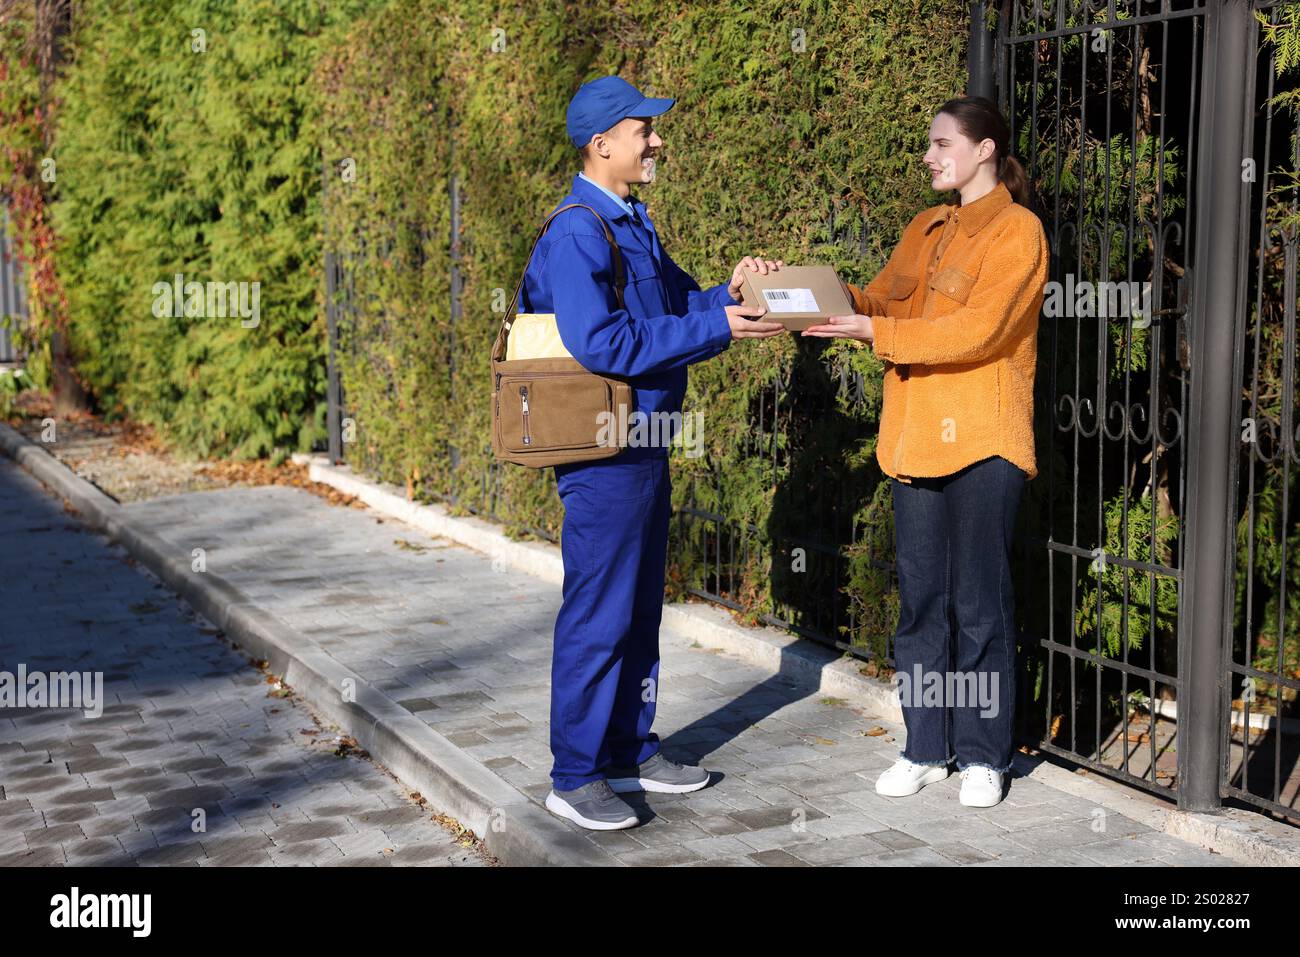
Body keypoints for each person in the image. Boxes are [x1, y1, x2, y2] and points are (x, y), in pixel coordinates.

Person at [520, 74, 787, 830]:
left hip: (645, 442)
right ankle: (574, 776)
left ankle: (631, 749)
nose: (658, 140)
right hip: (604, 452)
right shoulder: (576, 231)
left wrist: (731, 294)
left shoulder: (630, 219)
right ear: (602, 144)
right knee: (598, 613)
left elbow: (681, 306)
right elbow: (601, 343)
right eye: (646, 130)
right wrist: (719, 328)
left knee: (638, 611)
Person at [802, 95, 1048, 808]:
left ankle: (982, 755)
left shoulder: (1018, 231)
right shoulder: (925, 227)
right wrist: (804, 291)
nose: (929, 156)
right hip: (915, 438)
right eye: (929, 144)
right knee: (921, 606)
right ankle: (924, 747)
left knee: (979, 605)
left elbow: (978, 329)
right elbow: (879, 301)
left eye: (942, 144)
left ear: (985, 151)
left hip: (983, 440)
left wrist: (873, 334)